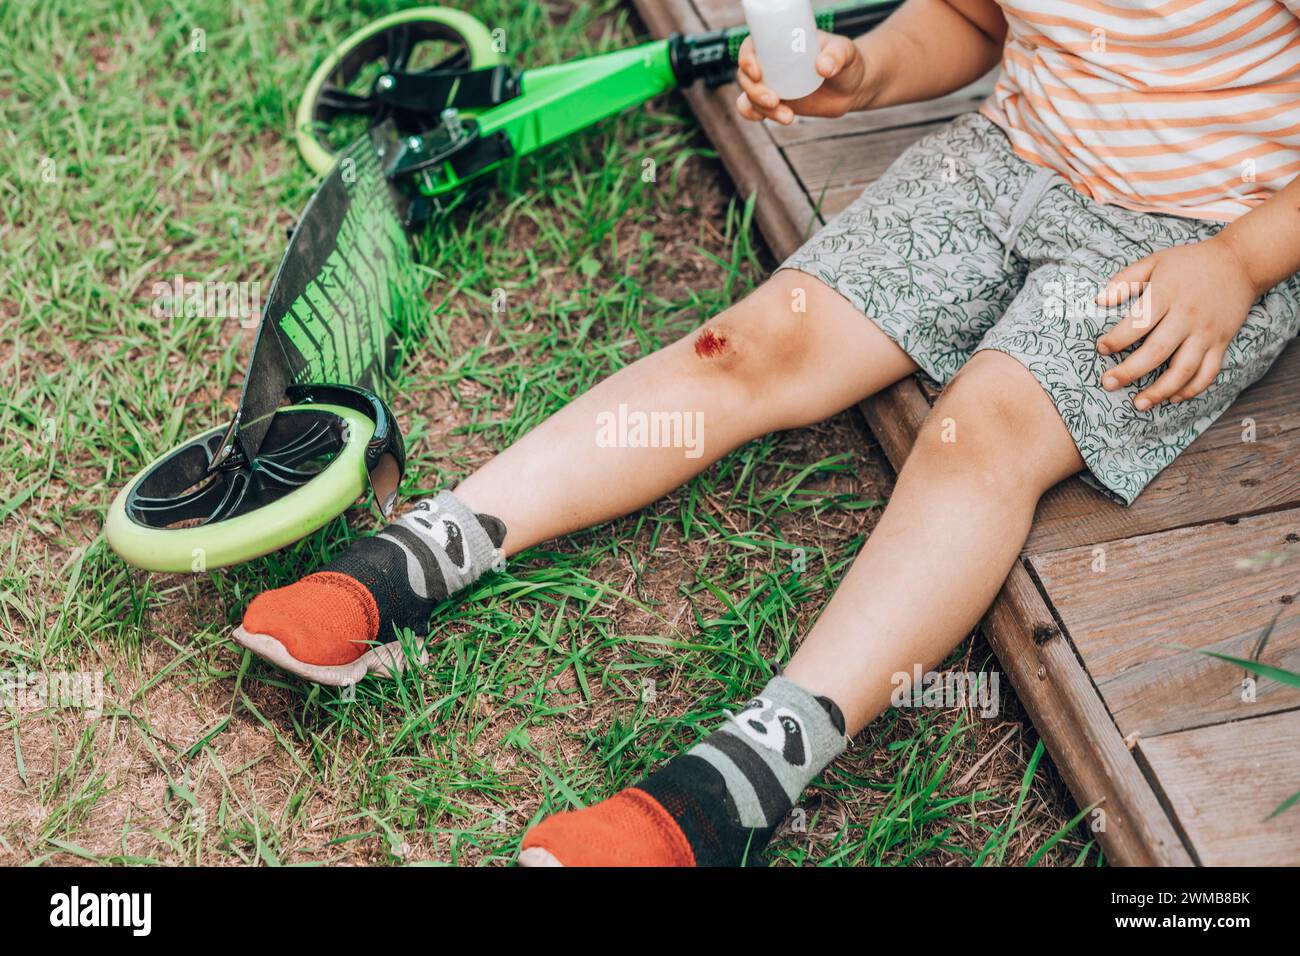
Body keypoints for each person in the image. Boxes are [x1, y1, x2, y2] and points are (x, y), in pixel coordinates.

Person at [234, 0, 1300, 865]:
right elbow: (974, 22)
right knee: (746, 348)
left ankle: (751, 768)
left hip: (1196, 238)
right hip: (1007, 160)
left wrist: (1241, 264)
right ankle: (434, 540)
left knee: (983, 429)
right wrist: (864, 73)